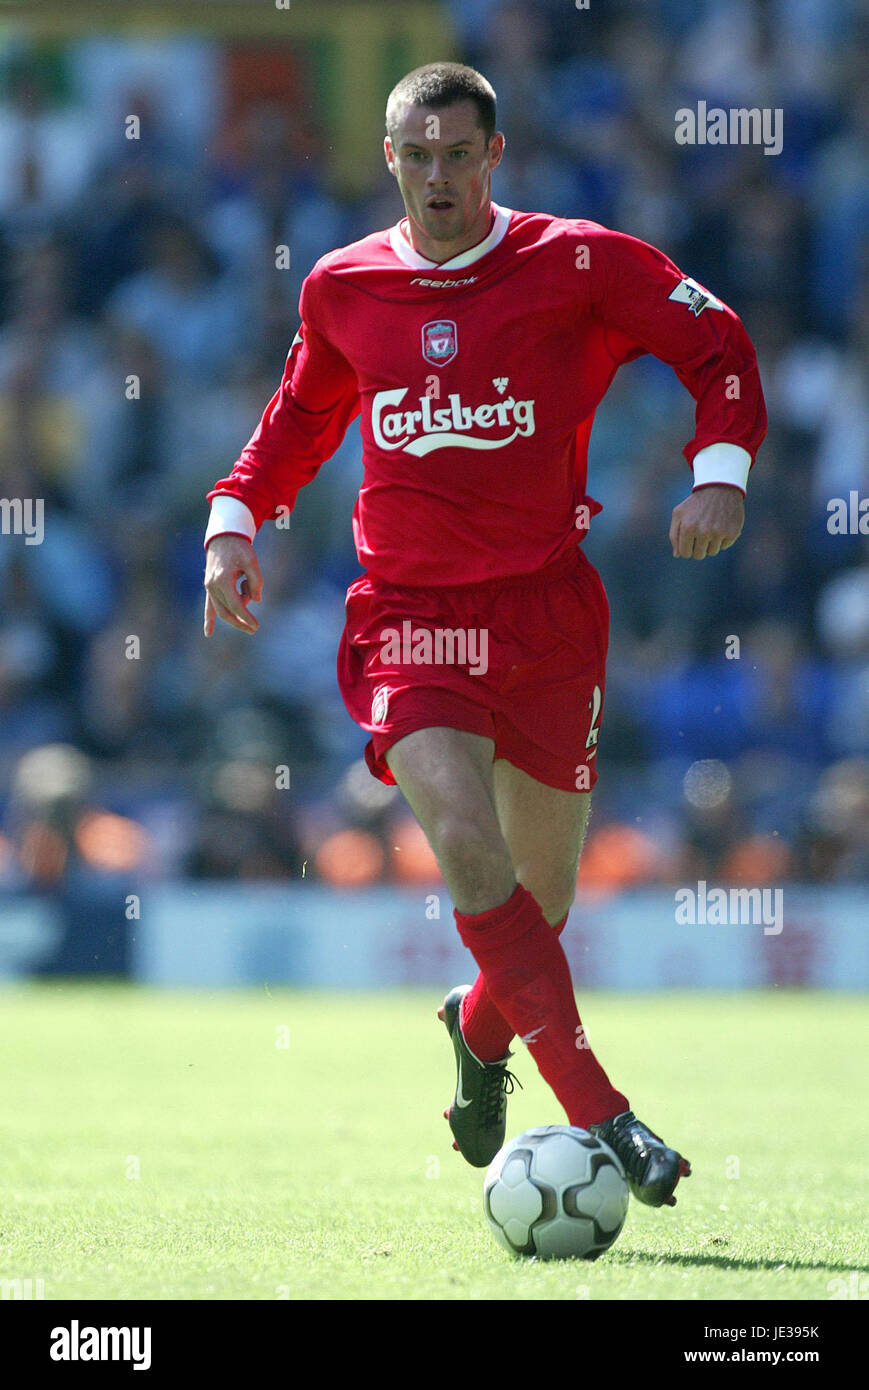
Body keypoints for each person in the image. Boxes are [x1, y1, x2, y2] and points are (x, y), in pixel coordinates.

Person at [203, 62, 767, 1208]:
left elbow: (716, 343)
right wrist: (231, 523)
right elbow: (297, 422)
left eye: (458, 155)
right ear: (389, 159)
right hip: (408, 616)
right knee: (465, 844)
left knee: (539, 905)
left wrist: (720, 476)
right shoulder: (343, 285)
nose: (437, 178)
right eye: (416, 156)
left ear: (492, 157)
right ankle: (603, 1115)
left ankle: (477, 1029)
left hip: (545, 614)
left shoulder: (574, 263)